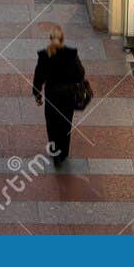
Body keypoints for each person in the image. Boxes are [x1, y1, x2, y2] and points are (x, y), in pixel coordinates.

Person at [32, 25, 86, 165]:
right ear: (62, 39)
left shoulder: (44, 55)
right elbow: (80, 74)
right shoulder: (71, 54)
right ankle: (63, 152)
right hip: (68, 94)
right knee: (65, 124)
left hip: (52, 95)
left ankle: (55, 153)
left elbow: (38, 77)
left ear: (50, 39)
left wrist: (37, 94)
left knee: (52, 124)